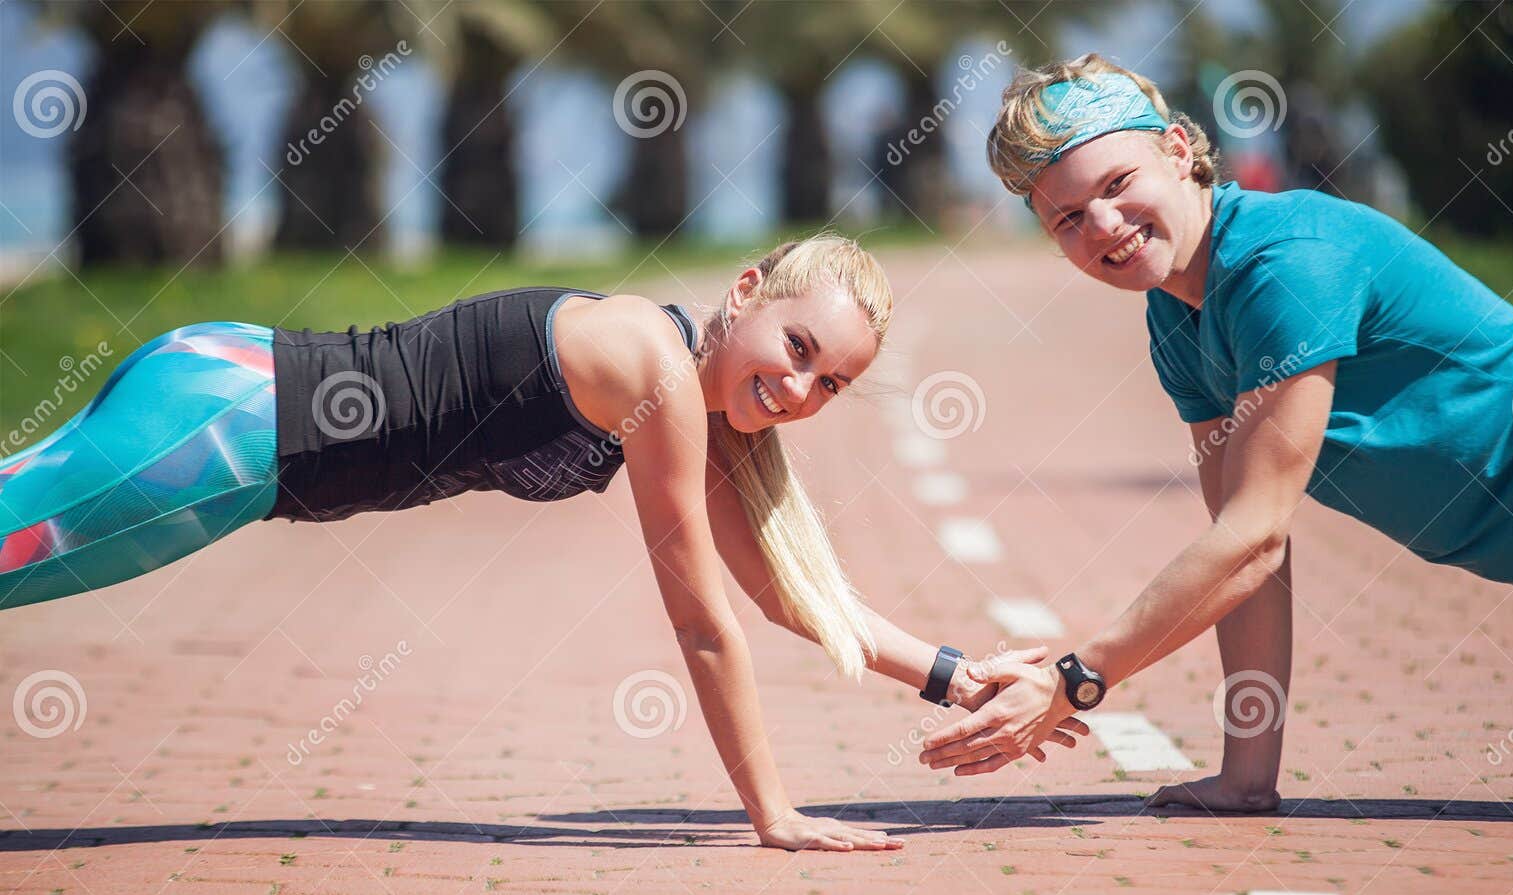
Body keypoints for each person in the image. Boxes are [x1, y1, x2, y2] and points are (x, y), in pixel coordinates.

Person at [0, 234, 1086, 849]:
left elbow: (782, 592)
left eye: (831, 382)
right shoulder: (655, 373)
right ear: (746, 289)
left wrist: (958, 675)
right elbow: (702, 619)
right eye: (797, 346)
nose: (800, 387)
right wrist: (775, 811)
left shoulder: (691, 400)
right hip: (225, 428)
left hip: (232, 418)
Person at [921, 55, 1513, 812]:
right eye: (1068, 219)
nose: (1104, 227)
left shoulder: (1285, 262)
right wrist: (1247, 778)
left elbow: (1254, 537)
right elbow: (1243, 553)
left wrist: (1074, 681)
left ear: (1179, 151)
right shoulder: (1176, 318)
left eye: (1116, 186)